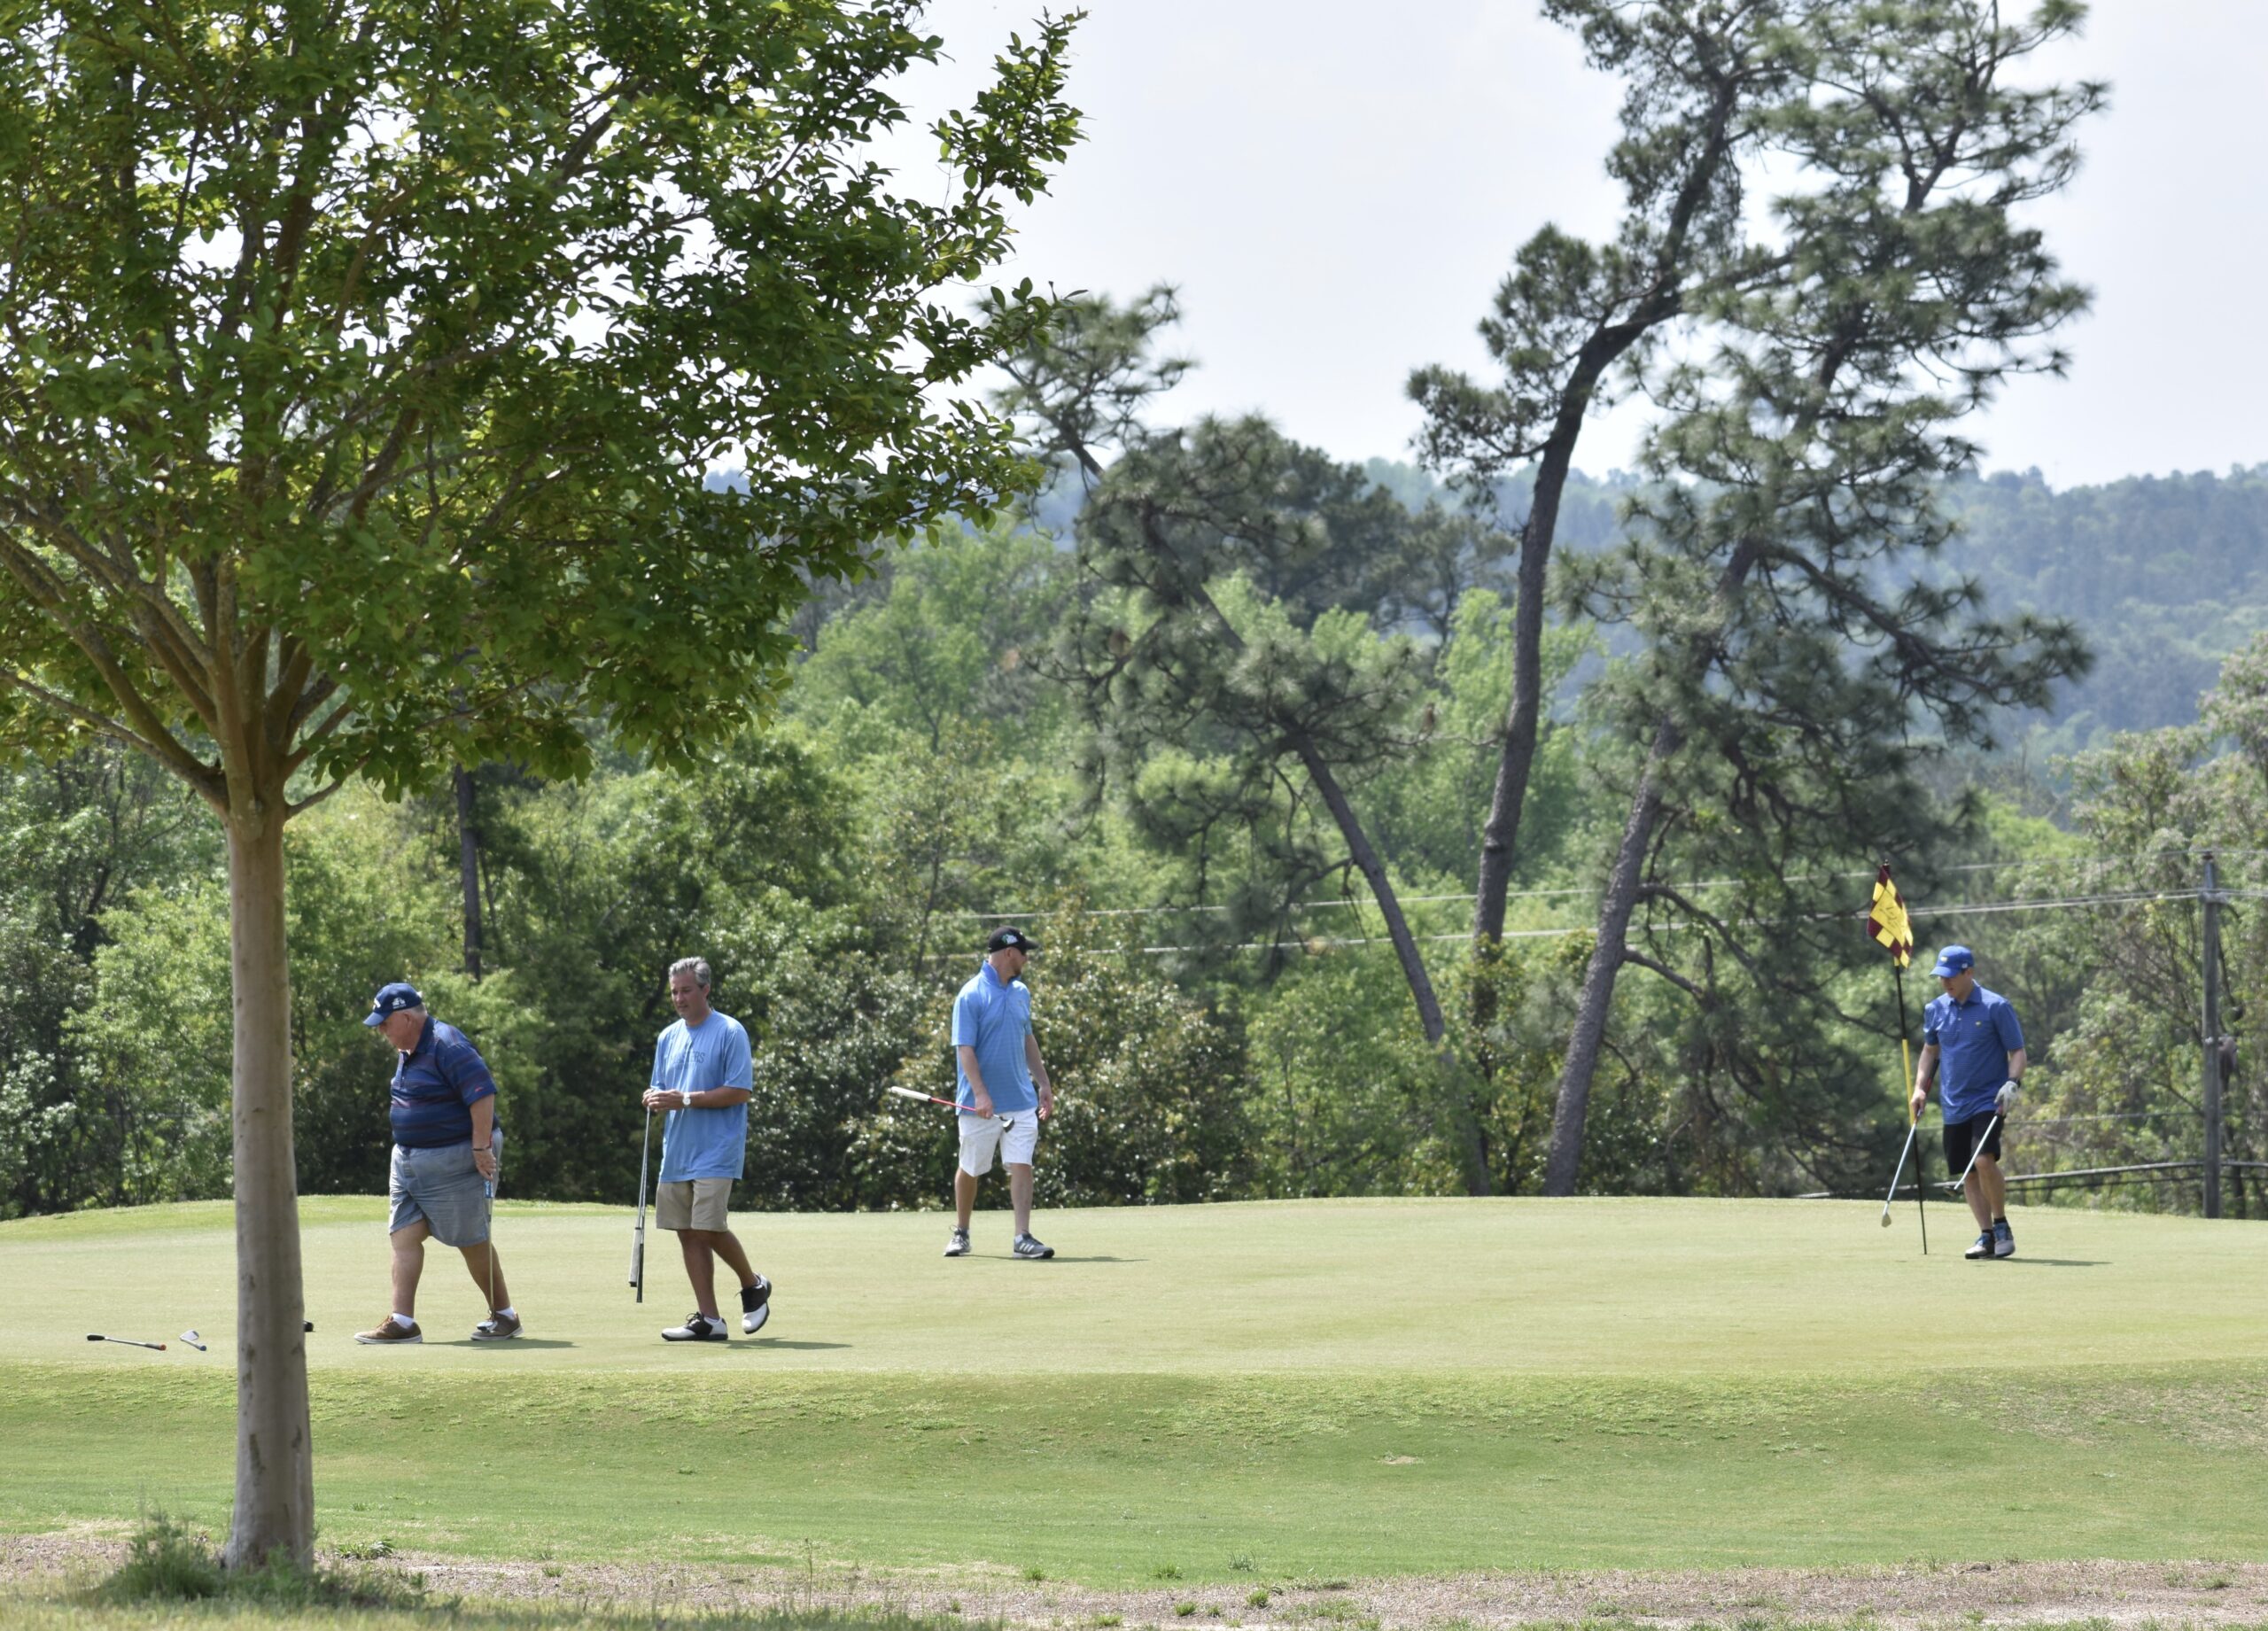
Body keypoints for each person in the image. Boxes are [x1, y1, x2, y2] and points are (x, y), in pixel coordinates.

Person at [355, 982, 523, 1343]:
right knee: (403, 1235)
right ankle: (402, 1322)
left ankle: (505, 1315)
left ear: (406, 1018)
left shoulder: (448, 1044)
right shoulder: (410, 1047)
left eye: (385, 1024)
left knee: (470, 1238)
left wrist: (481, 1149)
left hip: (456, 1158)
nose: (382, 1031)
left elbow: (483, 1094)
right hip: (408, 1161)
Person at [641, 957, 770, 1342]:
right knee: (687, 1232)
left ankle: (753, 1285)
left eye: (686, 990)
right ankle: (710, 1320)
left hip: (717, 1148)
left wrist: (687, 1100)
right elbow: (661, 1088)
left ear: (705, 989)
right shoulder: (668, 1037)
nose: (679, 998)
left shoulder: (731, 1031)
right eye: (675, 992)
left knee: (708, 1226)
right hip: (677, 1150)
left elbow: (740, 1090)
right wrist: (652, 1097)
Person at [944, 927, 1058, 1260]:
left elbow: (1027, 1040)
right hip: (979, 1105)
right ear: (1009, 953)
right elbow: (965, 1049)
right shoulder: (971, 995)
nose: (1026, 958)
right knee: (971, 1168)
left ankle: (1022, 1237)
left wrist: (1044, 1084)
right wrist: (980, 1094)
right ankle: (962, 1232)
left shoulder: (1021, 992)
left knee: (1021, 1164)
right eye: (1024, 952)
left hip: (1020, 1101)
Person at [1910, 944, 2028, 1260]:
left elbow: (2017, 1051)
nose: (1944, 982)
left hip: (1989, 1100)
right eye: (1941, 976)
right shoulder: (1935, 1009)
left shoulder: (1996, 1007)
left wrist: (2012, 1083)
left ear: (1969, 973)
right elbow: (1930, 1051)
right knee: (1968, 1174)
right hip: (1953, 1103)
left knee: (1984, 1160)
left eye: (1951, 976)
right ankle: (1986, 1235)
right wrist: (1919, 1089)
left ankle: (2001, 1225)